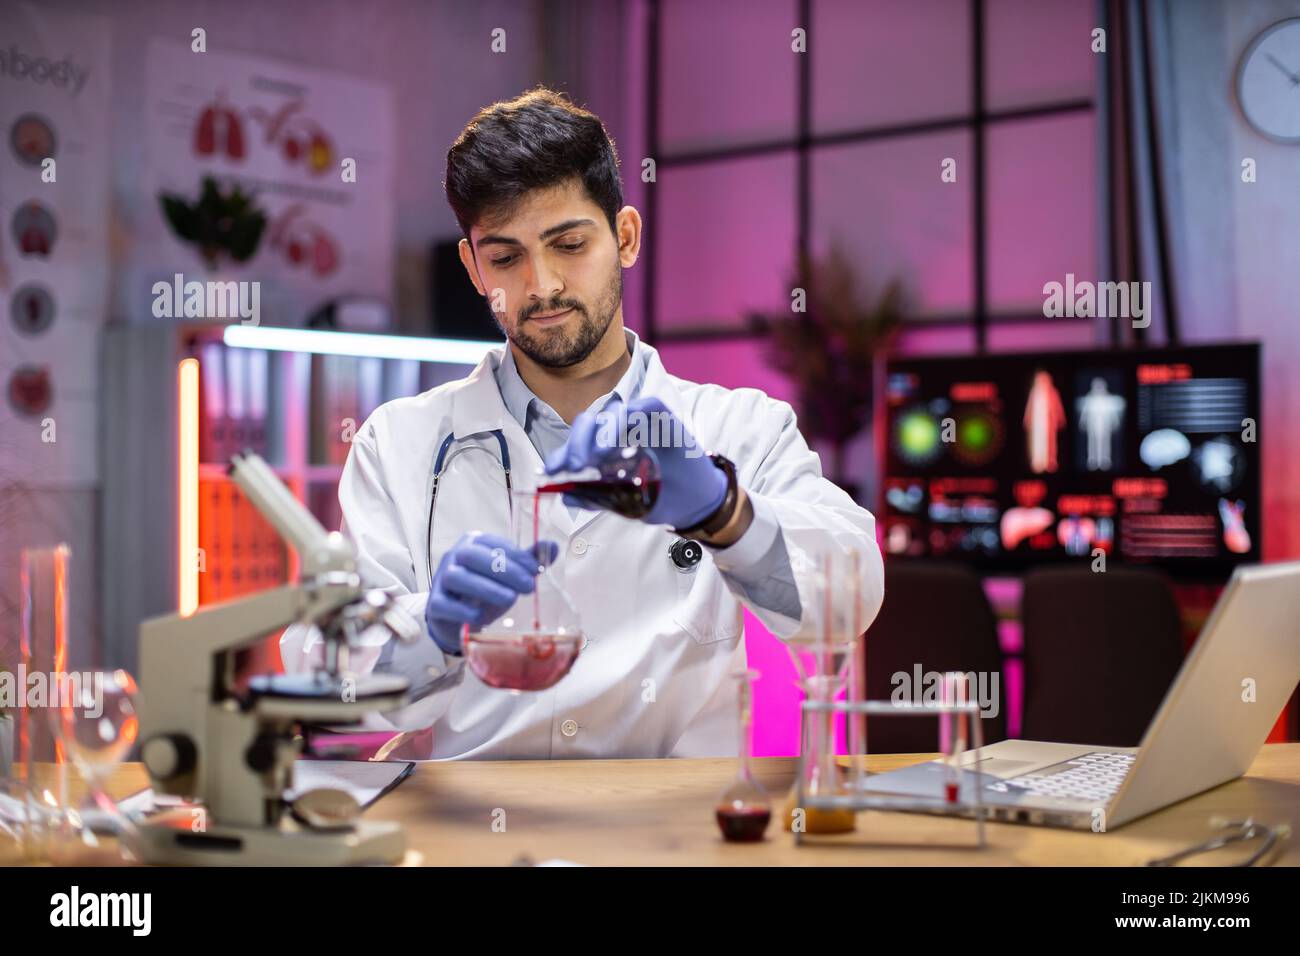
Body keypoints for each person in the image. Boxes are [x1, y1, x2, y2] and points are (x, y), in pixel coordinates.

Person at [281, 88, 884, 759]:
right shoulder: (397, 443)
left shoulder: (740, 426)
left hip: (673, 815)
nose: (541, 285)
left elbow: (845, 604)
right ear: (473, 268)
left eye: (568, 244)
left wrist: (723, 512)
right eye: (505, 257)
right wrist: (431, 630)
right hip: (468, 813)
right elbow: (328, 691)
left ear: (624, 237)